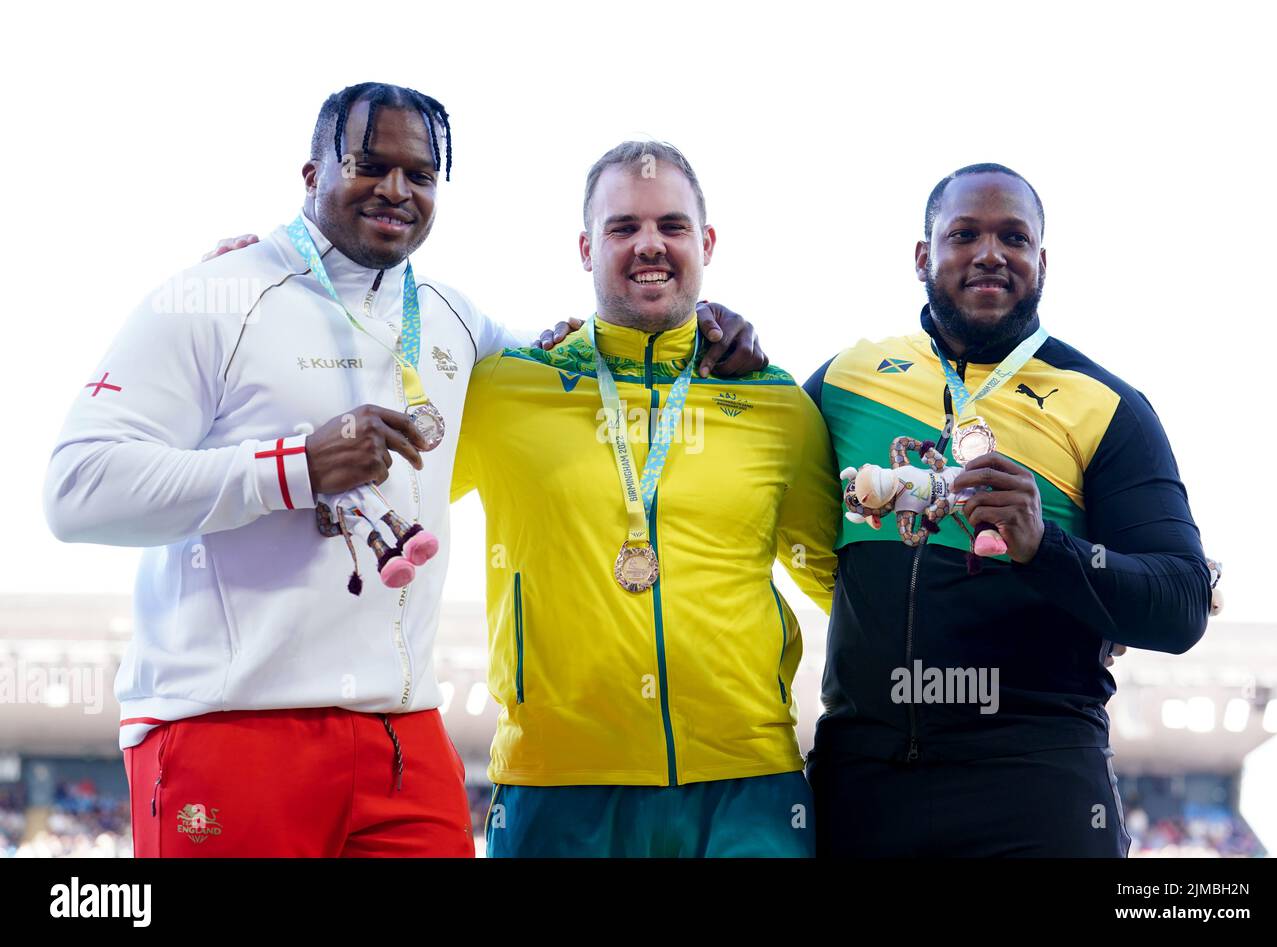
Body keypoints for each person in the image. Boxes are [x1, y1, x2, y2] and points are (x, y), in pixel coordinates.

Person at [43, 82, 761, 857]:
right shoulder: (215, 297)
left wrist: (710, 328)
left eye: (420, 174)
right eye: (369, 165)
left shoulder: (456, 319)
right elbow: (76, 489)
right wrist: (292, 469)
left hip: (402, 737)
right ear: (312, 175)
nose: (397, 190)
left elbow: (586, 350)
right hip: (226, 725)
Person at [804, 163, 1211, 857]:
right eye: (964, 234)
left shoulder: (1106, 406)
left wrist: (1046, 547)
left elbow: (1181, 601)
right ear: (923, 256)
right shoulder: (846, 381)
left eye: (1013, 238)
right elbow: (748, 487)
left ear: (1041, 262)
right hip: (864, 790)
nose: (990, 253)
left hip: (1036, 793)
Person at [451, 140, 842, 857]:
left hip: (748, 787)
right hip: (555, 787)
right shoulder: (506, 390)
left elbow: (845, 586)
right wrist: (281, 283)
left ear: (707, 242)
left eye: (672, 225)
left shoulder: (776, 405)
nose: (649, 244)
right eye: (623, 227)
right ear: (585, 247)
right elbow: (382, 479)